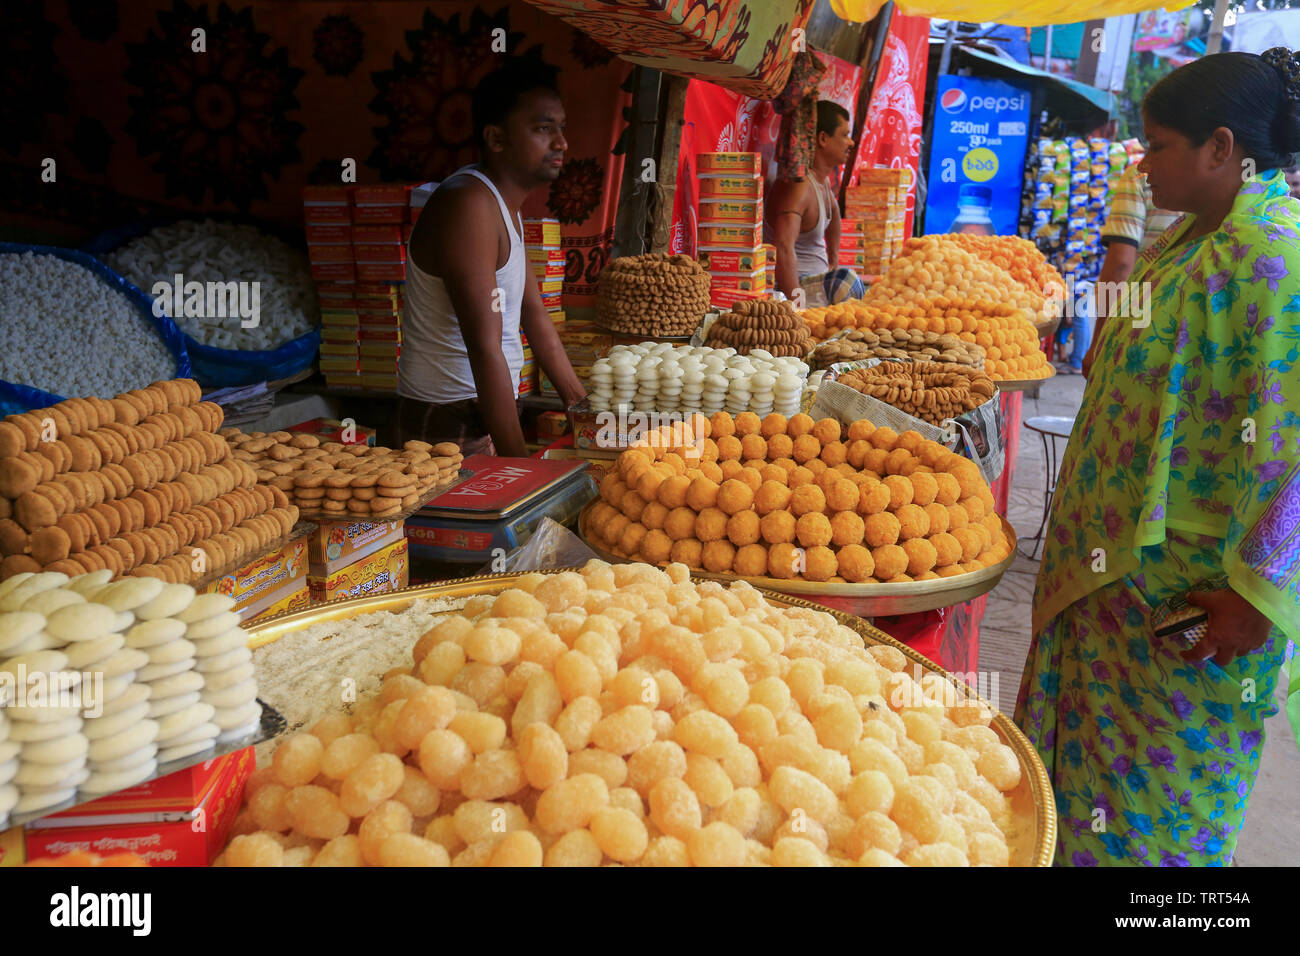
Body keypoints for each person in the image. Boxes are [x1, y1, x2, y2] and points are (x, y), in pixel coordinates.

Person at [1016, 48, 1300, 867]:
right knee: (1071, 798)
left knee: (1151, 824)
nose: (1142, 164)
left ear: (1221, 148)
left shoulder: (1272, 262)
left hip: (1187, 602)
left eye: (1160, 146)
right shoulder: (1188, 242)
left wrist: (1256, 597)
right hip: (1107, 585)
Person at [396, 61, 587, 458]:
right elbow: (484, 346)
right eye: (543, 128)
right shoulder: (467, 205)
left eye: (561, 127)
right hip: (445, 427)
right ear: (496, 139)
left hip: (484, 410)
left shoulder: (504, 204)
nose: (562, 143)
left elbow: (534, 315)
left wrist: (580, 409)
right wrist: (520, 469)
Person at [1079, 163, 1180, 376]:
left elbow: (1120, 264)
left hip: (1141, 330)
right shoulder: (1239, 185)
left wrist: (1099, 342)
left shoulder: (1140, 175)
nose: (1146, 160)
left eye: (1155, 142)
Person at [766, 100, 864, 307]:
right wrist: (797, 307)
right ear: (823, 139)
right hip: (790, 290)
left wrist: (833, 260)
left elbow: (834, 216)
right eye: (845, 135)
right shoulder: (799, 187)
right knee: (846, 282)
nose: (851, 143)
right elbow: (783, 247)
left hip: (814, 284)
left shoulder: (823, 182)